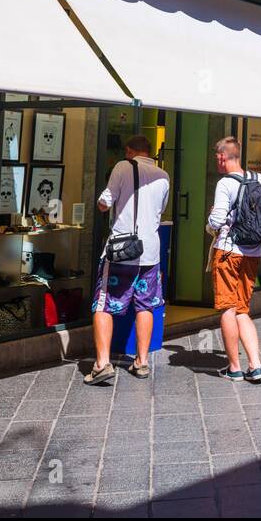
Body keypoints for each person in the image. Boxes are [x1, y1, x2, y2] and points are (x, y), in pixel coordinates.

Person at [85, 135, 171, 385]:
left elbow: (104, 202)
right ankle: (141, 362)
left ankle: (102, 363)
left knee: (104, 304)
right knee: (145, 305)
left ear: (129, 151)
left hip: (122, 251)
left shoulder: (123, 166)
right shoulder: (163, 175)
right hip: (150, 252)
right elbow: (160, 208)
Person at [207, 136, 261, 383]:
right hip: (253, 253)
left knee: (227, 309)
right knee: (242, 310)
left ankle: (234, 367)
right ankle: (255, 365)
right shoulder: (260, 179)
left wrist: (212, 220)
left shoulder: (225, 184)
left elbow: (217, 220)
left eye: (217, 158)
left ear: (223, 157)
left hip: (229, 252)